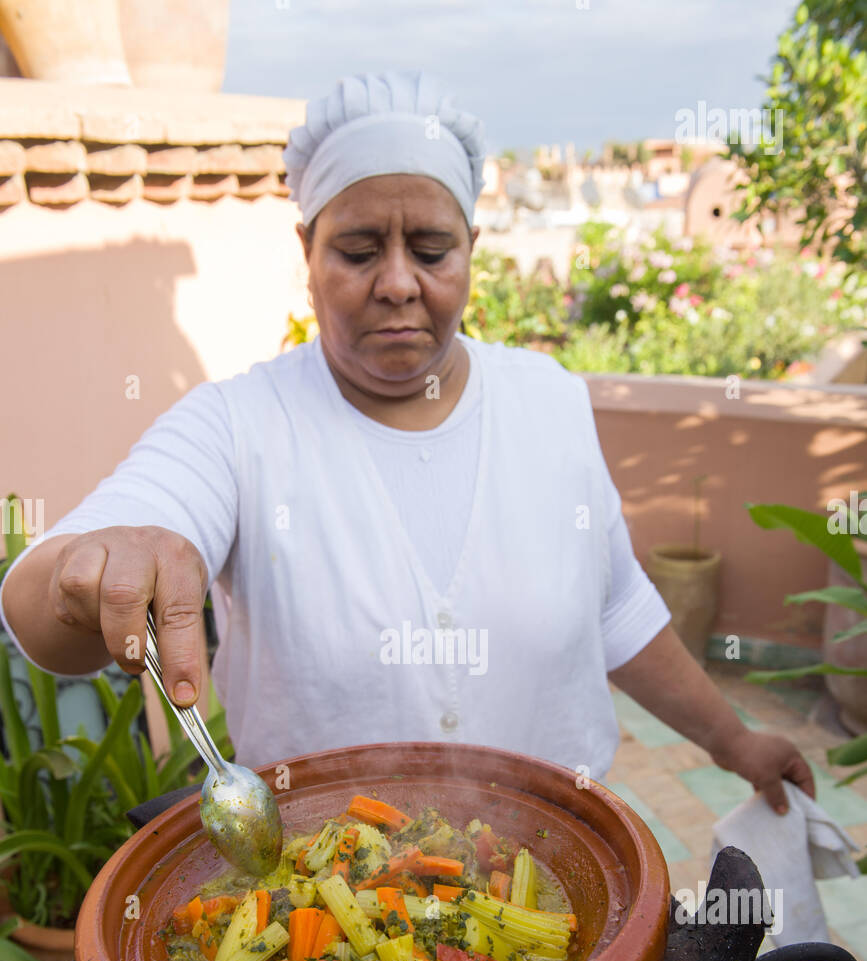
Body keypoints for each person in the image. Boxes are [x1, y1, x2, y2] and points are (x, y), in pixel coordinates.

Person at [1, 71, 813, 813]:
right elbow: (46, 604)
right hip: (327, 908)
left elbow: (616, 610)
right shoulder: (236, 426)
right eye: (357, 251)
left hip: (556, 870)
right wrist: (92, 568)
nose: (397, 282)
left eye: (431, 250)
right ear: (306, 253)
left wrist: (733, 741)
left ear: (471, 253)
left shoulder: (550, 401)